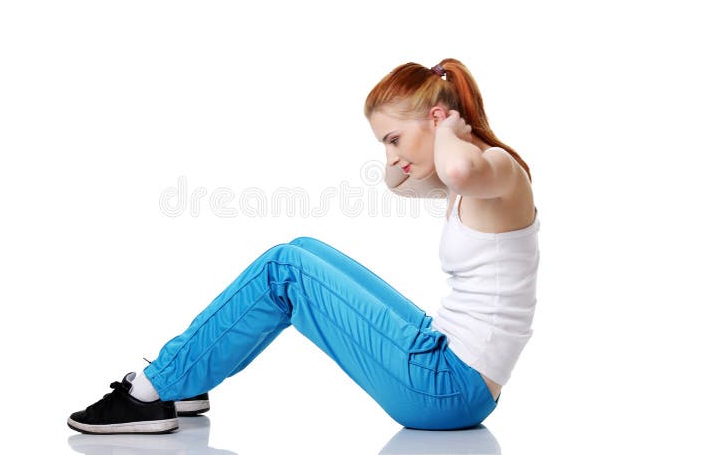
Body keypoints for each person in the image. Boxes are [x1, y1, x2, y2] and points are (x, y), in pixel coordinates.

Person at [67, 58, 540, 434]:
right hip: (448, 367)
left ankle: (150, 391)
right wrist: (418, 141)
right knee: (303, 248)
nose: (391, 155)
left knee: (285, 268)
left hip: (446, 387)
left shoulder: (496, 168)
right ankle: (190, 377)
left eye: (394, 139)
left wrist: (447, 130)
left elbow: (455, 168)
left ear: (437, 119)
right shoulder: (475, 173)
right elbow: (396, 182)